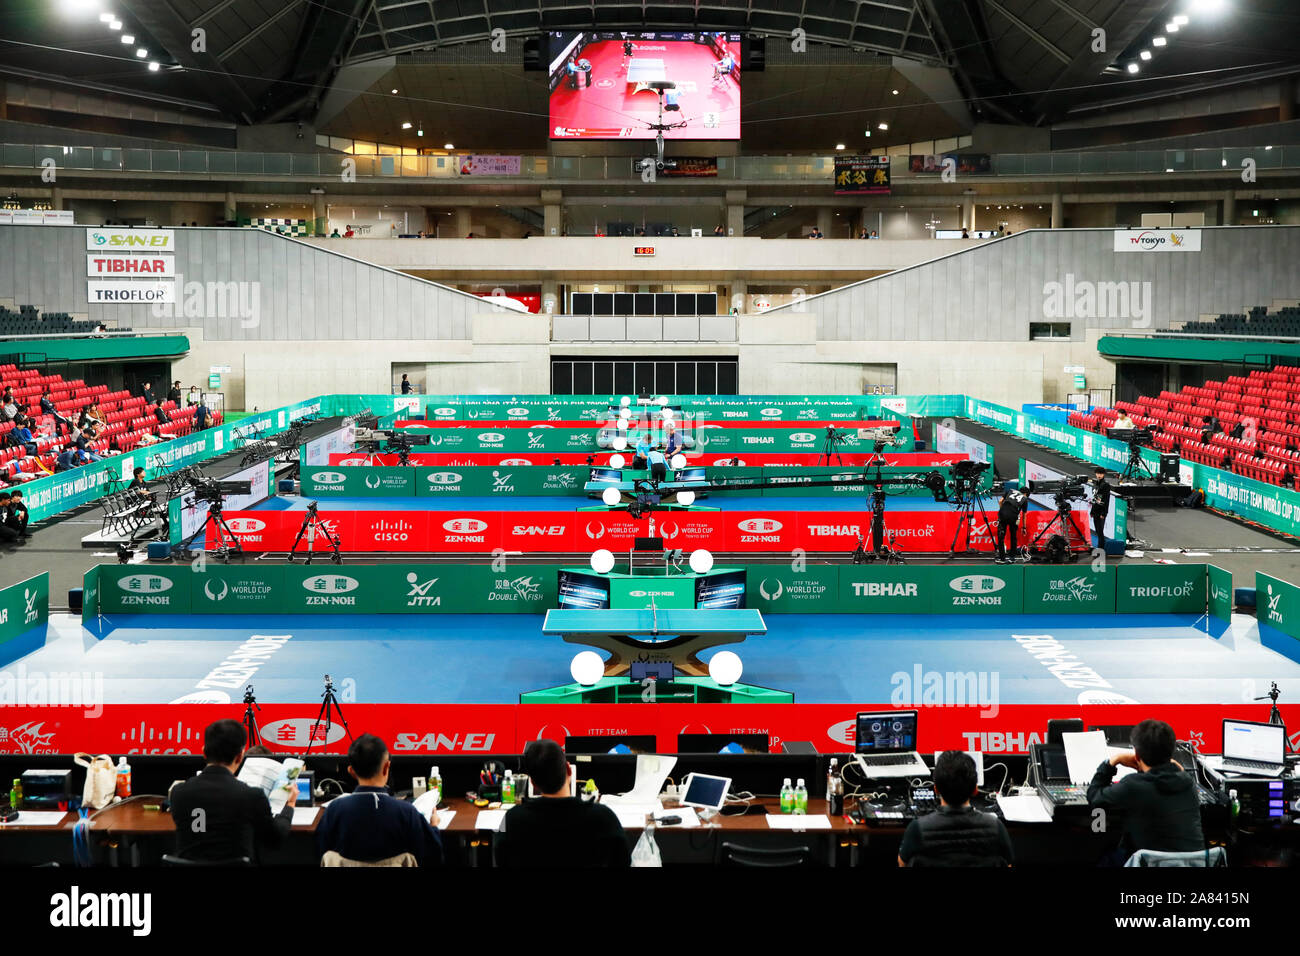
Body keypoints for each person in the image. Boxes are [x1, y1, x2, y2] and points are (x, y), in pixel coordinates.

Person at [168, 719, 296, 863]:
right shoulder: (251, 796)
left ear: (204, 752)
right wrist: (289, 805)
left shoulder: (178, 793)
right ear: (240, 756)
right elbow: (275, 839)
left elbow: (202, 826)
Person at [496, 740, 629, 868]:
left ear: (532, 782)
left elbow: (500, 859)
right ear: (568, 769)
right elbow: (623, 860)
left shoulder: (510, 819)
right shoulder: (605, 817)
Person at [315, 735, 444, 866]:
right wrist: (434, 826)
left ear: (351, 771)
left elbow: (321, 852)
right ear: (386, 767)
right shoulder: (407, 812)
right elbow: (433, 855)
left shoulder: (334, 810)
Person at [1087, 718, 1204, 859]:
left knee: (1101, 855)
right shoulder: (1188, 784)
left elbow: (1095, 798)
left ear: (1136, 755)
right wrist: (1171, 763)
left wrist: (1112, 761)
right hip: (1191, 863)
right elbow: (1176, 774)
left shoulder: (1133, 786)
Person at [898, 751, 1012, 867]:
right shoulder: (996, 827)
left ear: (936, 789)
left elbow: (902, 863)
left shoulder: (917, 828)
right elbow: (1008, 864)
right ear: (975, 790)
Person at [995, 488, 1024, 563]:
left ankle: (1002, 558)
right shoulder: (1025, 498)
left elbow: (1000, 501)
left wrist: (1002, 512)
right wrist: (1024, 527)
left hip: (1004, 513)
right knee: (1013, 537)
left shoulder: (1010, 491)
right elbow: (1024, 515)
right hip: (1013, 515)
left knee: (1001, 536)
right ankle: (1012, 558)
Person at [1090, 466, 1111, 552]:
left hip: (1101, 511)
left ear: (1103, 475)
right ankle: (1100, 547)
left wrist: (1104, 513)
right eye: (1098, 473)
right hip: (1095, 510)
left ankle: (1101, 548)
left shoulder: (1105, 485)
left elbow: (1106, 500)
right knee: (1097, 530)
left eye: (1101, 474)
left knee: (1100, 531)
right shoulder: (1096, 484)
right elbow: (1095, 499)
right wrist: (1092, 511)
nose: (1099, 475)